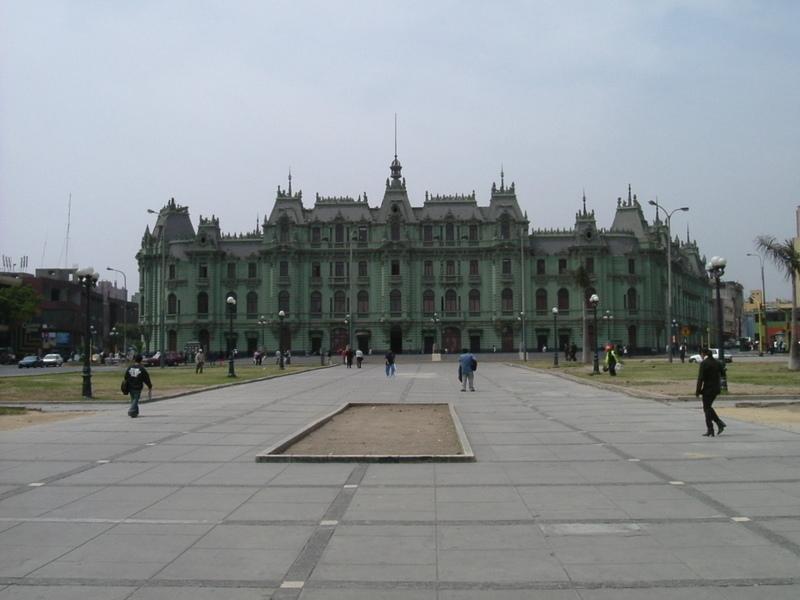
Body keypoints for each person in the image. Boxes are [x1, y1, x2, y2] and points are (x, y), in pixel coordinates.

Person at [696, 348, 726, 437]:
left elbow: (700, 379)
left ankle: (711, 429)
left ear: (703, 354)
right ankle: (718, 424)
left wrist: (698, 391)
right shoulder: (717, 362)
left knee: (707, 409)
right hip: (716, 389)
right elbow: (723, 373)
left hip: (707, 389)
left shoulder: (704, 363)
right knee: (708, 407)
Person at [124, 354, 152, 418]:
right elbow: (146, 378)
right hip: (137, 387)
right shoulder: (142, 369)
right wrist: (149, 386)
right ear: (141, 360)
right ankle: (131, 410)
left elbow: (126, 376)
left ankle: (135, 412)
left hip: (130, 386)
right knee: (136, 399)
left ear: (134, 360)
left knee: (133, 399)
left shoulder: (130, 367)